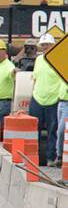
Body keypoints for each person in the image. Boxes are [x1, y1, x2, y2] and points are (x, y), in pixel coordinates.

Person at [30, 32, 64, 165]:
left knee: (52, 131)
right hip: (37, 99)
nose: (44, 47)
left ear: (53, 45)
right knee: (34, 131)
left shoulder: (59, 60)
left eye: (47, 45)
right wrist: (32, 94)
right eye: (43, 45)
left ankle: (50, 158)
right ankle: (35, 159)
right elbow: (35, 78)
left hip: (53, 100)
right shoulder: (38, 60)